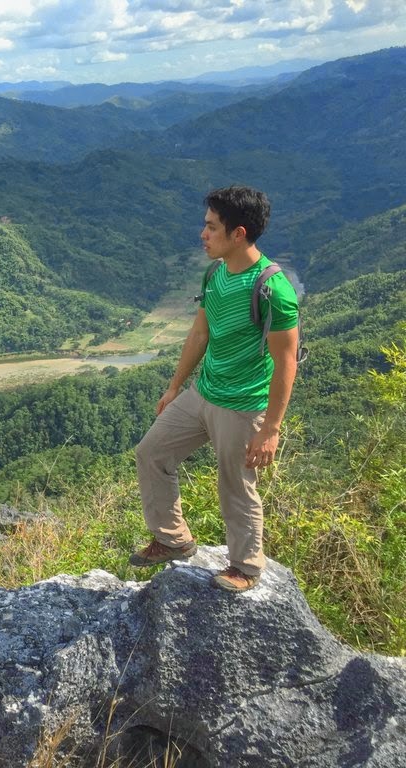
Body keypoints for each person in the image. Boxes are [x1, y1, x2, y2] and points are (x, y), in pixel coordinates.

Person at [129, 185, 299, 592]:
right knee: (151, 452)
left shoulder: (273, 289)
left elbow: (286, 362)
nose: (203, 234)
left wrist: (270, 428)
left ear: (238, 233)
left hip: (242, 405)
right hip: (202, 393)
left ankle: (245, 566)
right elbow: (200, 333)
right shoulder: (216, 273)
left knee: (236, 483)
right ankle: (173, 540)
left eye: (210, 227)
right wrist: (175, 387)